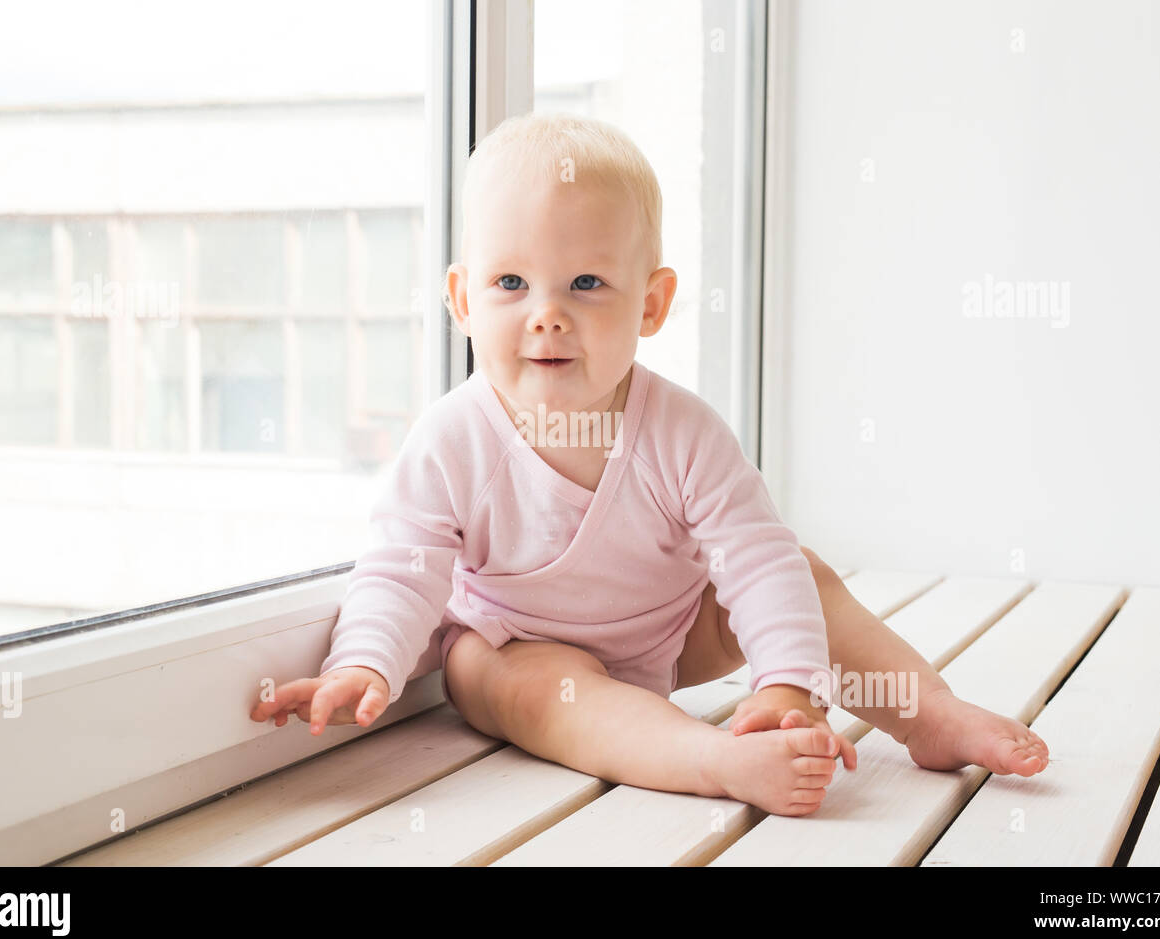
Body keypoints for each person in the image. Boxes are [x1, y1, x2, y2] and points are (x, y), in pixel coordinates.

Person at [250, 112, 1049, 817]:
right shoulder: (451, 438)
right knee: (501, 682)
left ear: (652, 304)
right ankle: (713, 760)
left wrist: (785, 686)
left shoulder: (682, 431)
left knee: (799, 570)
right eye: (511, 283)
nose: (548, 314)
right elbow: (400, 567)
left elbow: (756, 560)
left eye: (587, 282)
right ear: (461, 300)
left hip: (675, 631)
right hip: (518, 642)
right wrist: (363, 663)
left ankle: (926, 711)